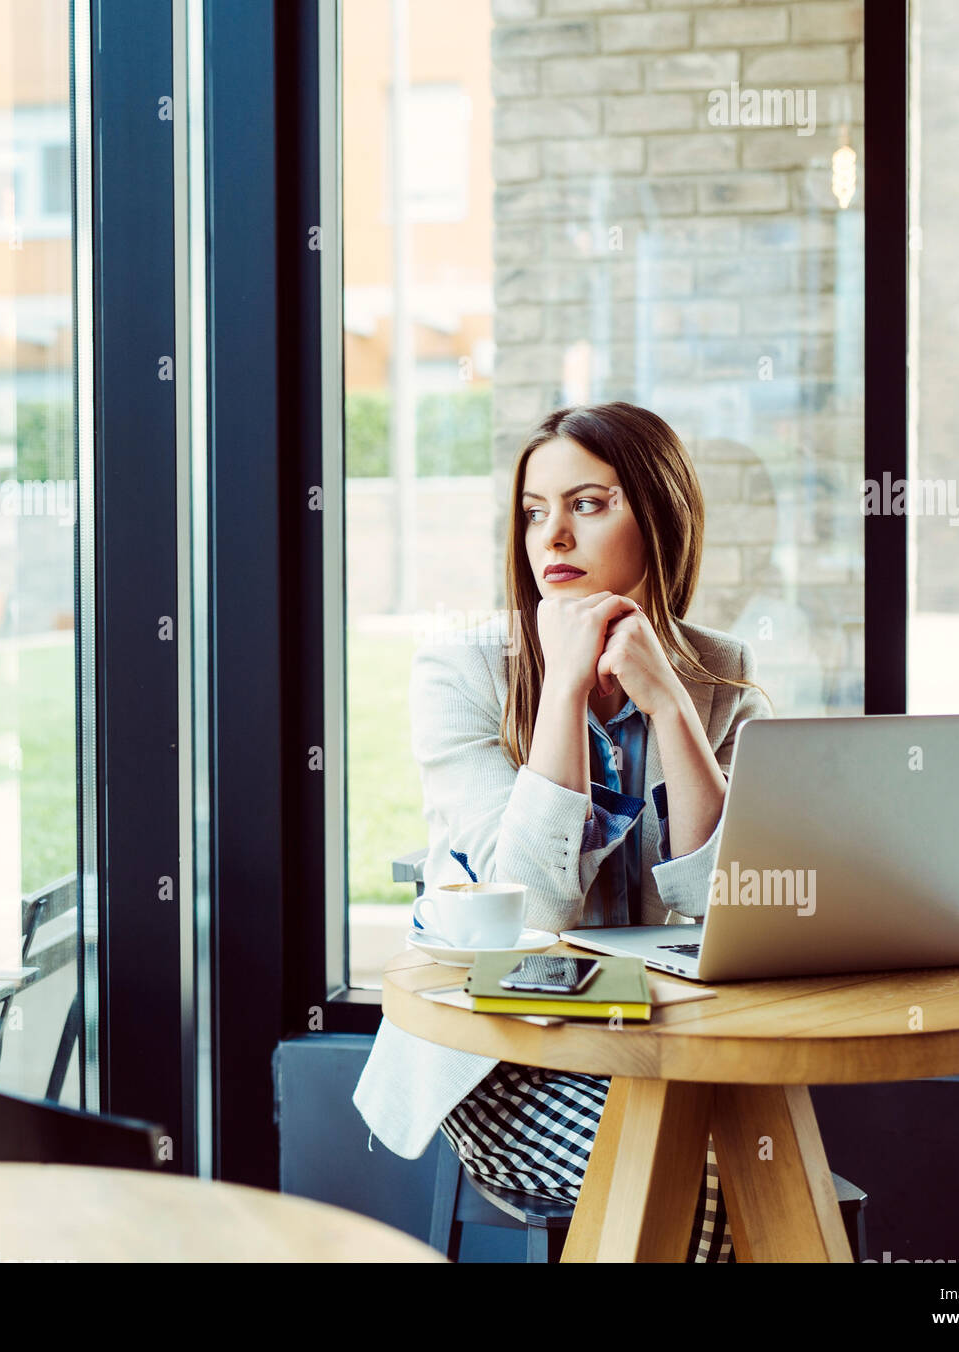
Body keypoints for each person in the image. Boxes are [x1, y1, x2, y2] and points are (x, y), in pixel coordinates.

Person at [353, 401, 774, 1261]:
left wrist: (668, 704)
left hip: (667, 1037)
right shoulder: (462, 672)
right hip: (505, 1056)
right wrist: (565, 690)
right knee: (715, 1199)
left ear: (660, 515)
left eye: (587, 504)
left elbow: (728, 906)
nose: (553, 537)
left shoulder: (719, 672)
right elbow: (530, 913)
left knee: (765, 1182)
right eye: (535, 512)